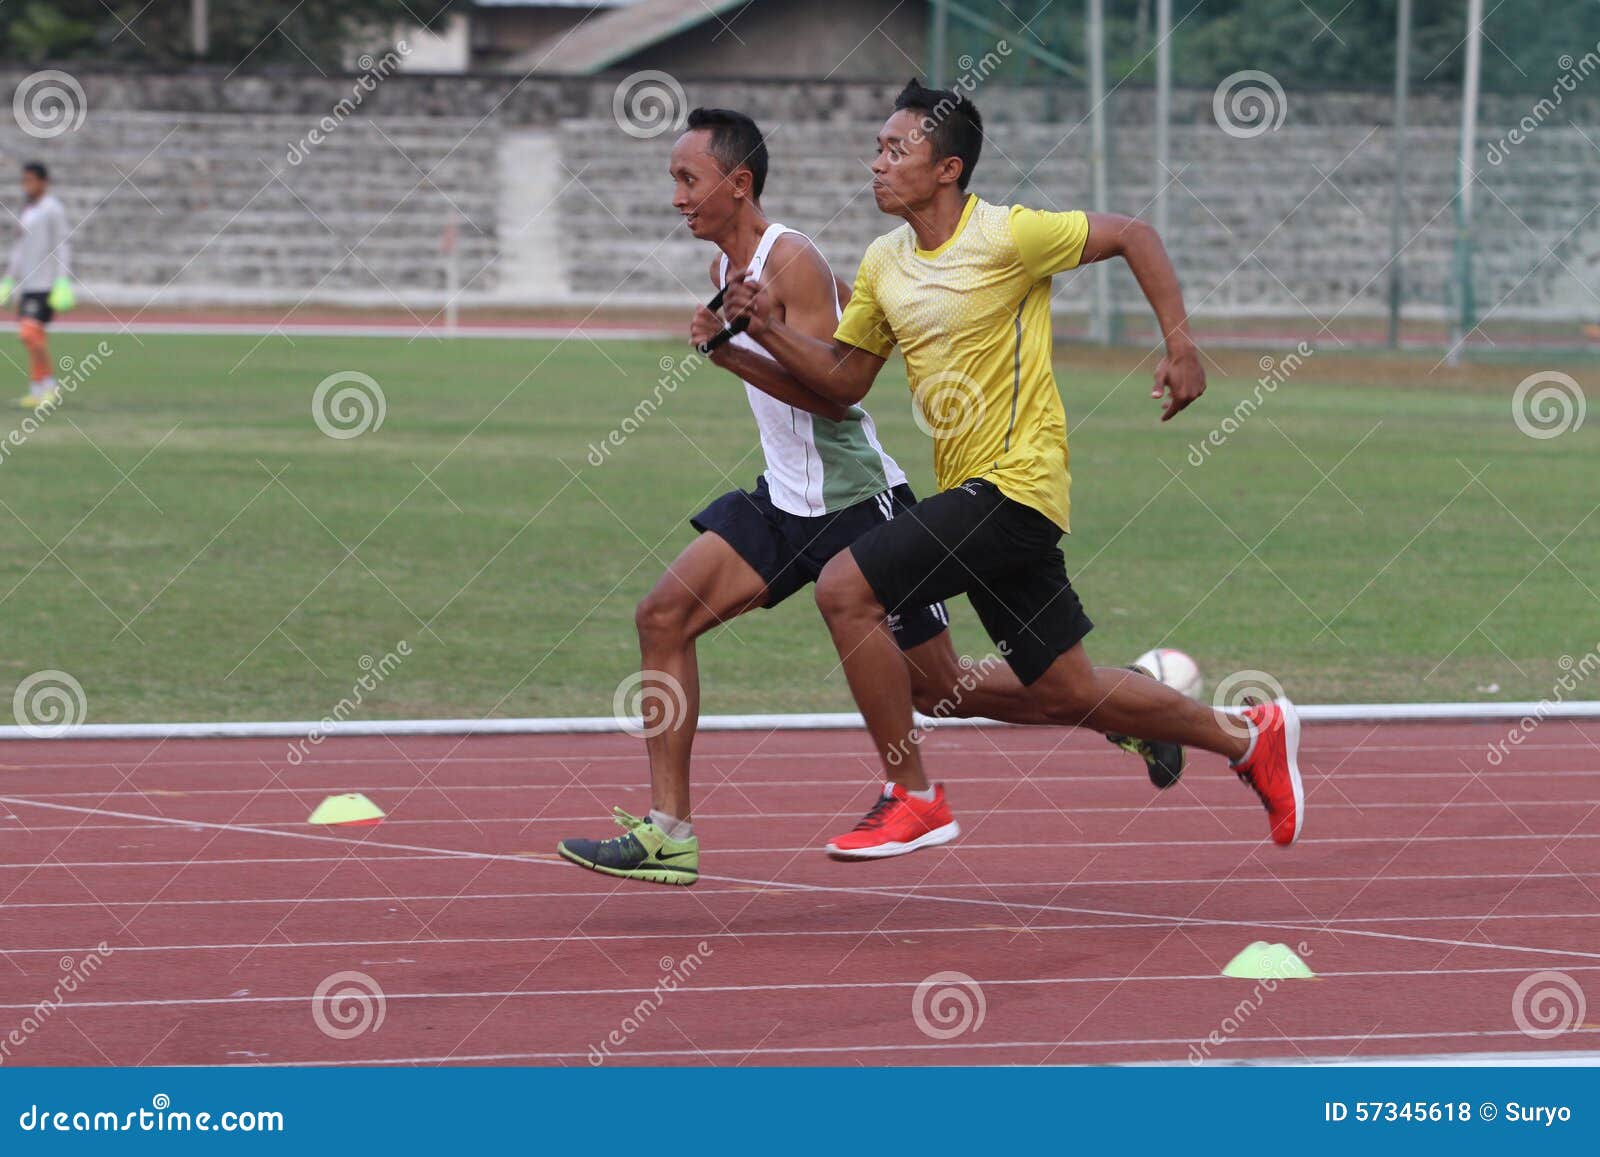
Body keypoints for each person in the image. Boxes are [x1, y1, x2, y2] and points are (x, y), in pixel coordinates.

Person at [555, 108, 1184, 886]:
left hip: (856, 503)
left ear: (738, 183)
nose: (677, 197)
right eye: (674, 181)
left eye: (689, 179)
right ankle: (669, 832)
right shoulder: (728, 270)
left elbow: (835, 394)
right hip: (786, 501)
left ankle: (1122, 707)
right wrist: (743, 348)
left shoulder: (791, 259)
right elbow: (846, 324)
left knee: (942, 689)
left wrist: (740, 354)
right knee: (662, 616)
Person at [722, 80, 1304, 858]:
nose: (877, 164)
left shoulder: (1010, 234)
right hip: (976, 496)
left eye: (896, 150)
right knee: (1060, 690)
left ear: (948, 169)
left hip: (1017, 486)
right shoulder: (884, 262)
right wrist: (760, 334)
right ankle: (1247, 735)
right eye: (877, 149)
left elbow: (1135, 235)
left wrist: (1181, 345)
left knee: (844, 588)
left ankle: (914, 797)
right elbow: (843, 379)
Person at [1, 162, 75, 409]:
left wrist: (62, 280)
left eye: (31, 180)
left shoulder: (53, 209)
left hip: (45, 284)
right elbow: (19, 248)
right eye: (24, 180)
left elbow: (63, 244)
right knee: (33, 338)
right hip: (28, 284)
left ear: (44, 182)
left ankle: (51, 386)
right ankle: (37, 389)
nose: (27, 185)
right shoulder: (27, 210)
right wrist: (8, 279)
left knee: (29, 333)